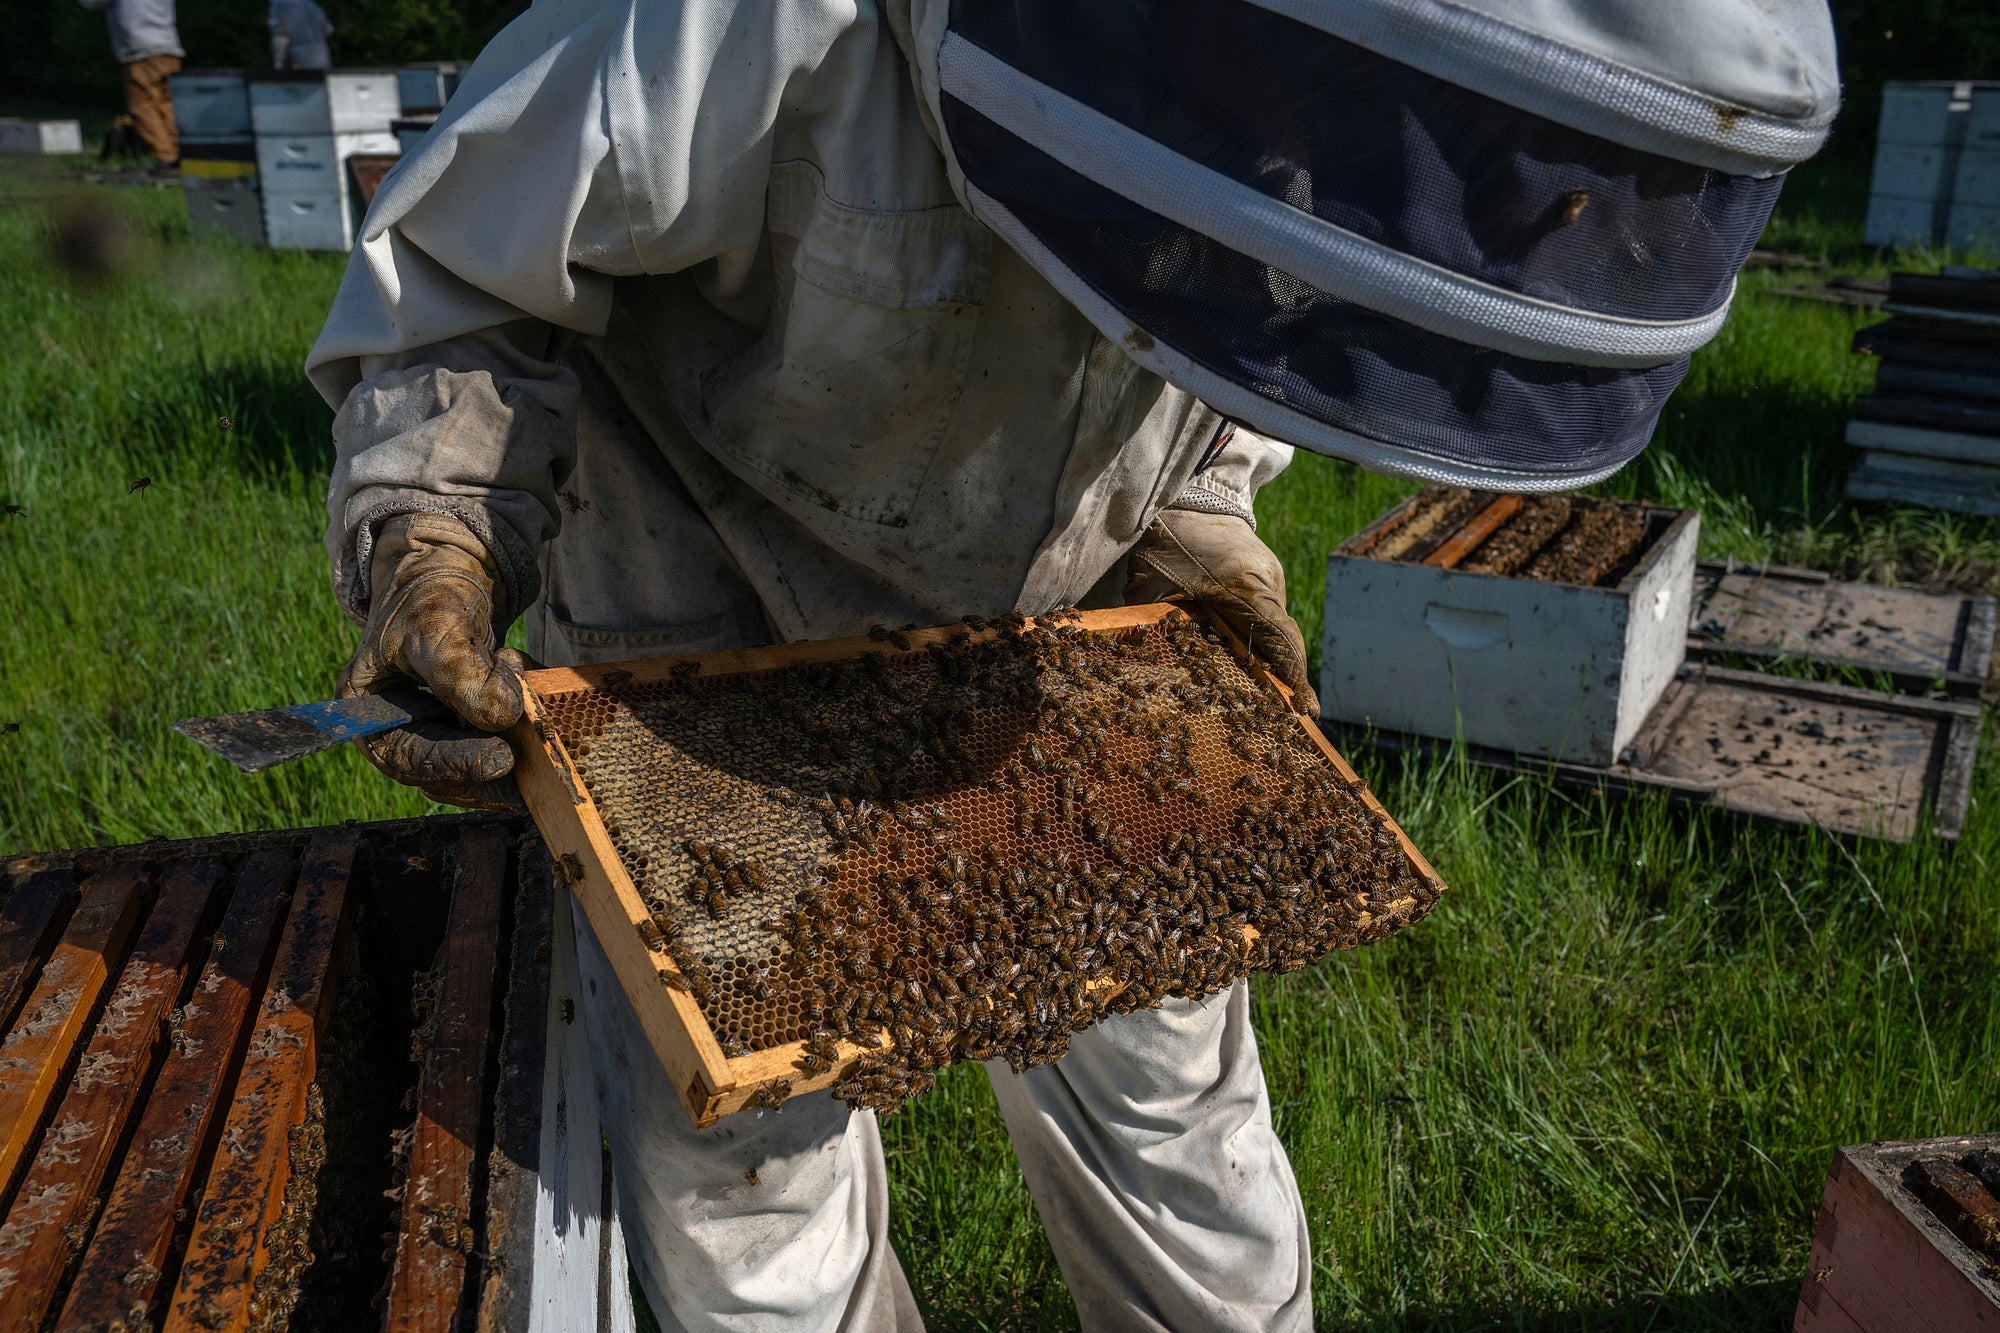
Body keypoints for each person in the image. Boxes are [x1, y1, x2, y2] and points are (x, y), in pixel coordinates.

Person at [308, 0, 1837, 1326]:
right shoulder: (743, 26)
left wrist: (1199, 525)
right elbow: (470, 268)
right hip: (703, 600)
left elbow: (1249, 327)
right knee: (758, 1177)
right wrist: (434, 530)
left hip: (1070, 641)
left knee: (1178, 1115)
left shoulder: (1318, 82)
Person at [77, 0, 183, 172]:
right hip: (169, 47)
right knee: (166, 104)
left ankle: (166, 155)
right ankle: (179, 151)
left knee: (142, 106)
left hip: (140, 50)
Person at [268, 0, 334, 72]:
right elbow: (328, 30)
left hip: (298, 60)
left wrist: (278, 64)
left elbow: (280, 35)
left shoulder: (279, 4)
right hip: (321, 58)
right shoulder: (312, 4)